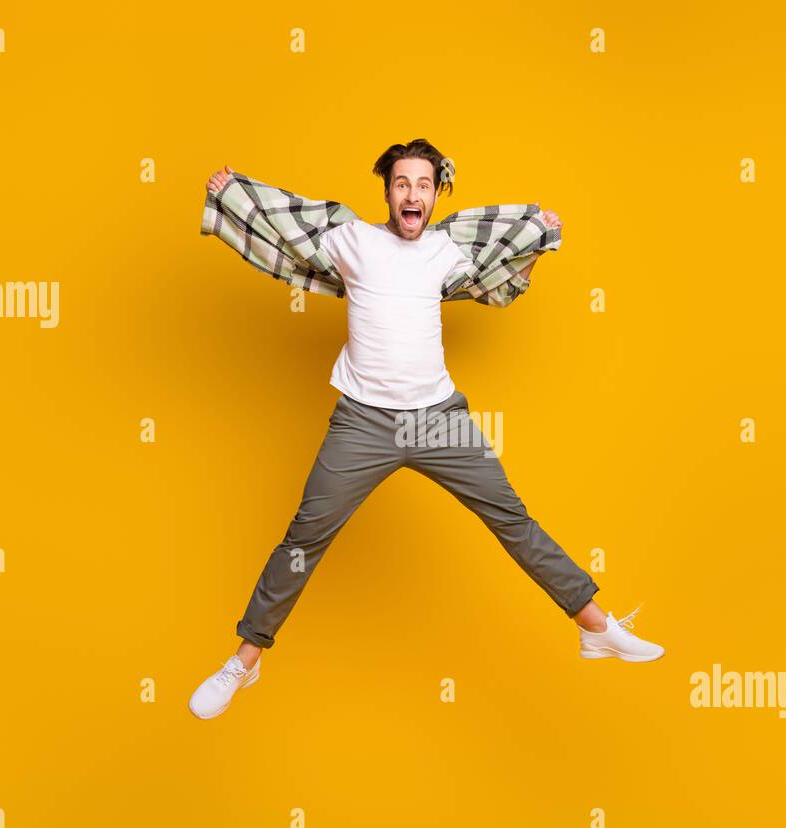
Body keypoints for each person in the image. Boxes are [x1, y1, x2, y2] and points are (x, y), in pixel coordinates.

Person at [190, 139, 663, 720]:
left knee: (511, 518)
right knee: (303, 541)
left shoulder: (445, 249)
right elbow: (290, 225)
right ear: (387, 191)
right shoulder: (354, 240)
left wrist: (537, 240)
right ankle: (245, 660)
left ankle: (595, 628)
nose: (411, 193)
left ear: (437, 193)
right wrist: (237, 195)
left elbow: (499, 283)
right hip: (363, 421)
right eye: (401, 183)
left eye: (423, 184)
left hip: (439, 418)